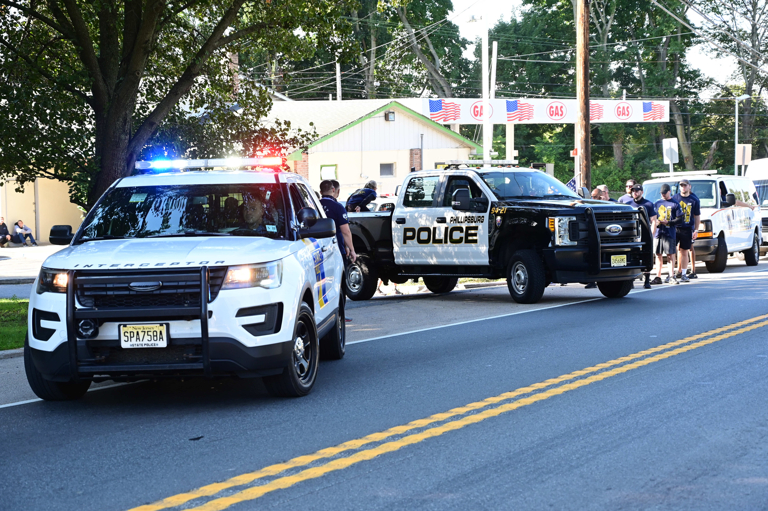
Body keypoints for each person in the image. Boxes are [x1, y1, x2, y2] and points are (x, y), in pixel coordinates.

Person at [320, 179, 357, 322]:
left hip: (317, 251)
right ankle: (340, 314)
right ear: (335, 190)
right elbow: (345, 231)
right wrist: (352, 249)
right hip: (335, 251)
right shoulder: (337, 207)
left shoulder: (314, 205)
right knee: (339, 283)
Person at [651, 184, 683, 285]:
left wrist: (668, 222)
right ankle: (658, 276)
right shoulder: (657, 203)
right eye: (662, 193)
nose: (663, 195)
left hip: (669, 232)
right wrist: (655, 223)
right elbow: (652, 217)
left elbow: (680, 219)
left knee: (670, 255)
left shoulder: (675, 203)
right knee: (658, 255)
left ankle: (671, 275)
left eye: (665, 193)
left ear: (669, 191)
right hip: (658, 232)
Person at [629, 184, 657, 288]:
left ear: (642, 192)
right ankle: (630, 281)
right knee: (632, 256)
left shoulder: (648, 204)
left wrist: (651, 235)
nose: (634, 193)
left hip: (644, 233)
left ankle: (647, 280)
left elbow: (654, 221)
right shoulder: (628, 204)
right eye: (633, 191)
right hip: (632, 234)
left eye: (637, 191)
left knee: (646, 256)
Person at [672, 179, 700, 282]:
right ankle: (673, 273)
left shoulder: (694, 200)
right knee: (672, 251)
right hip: (675, 228)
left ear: (689, 186)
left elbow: (697, 216)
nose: (683, 187)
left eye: (685, 185)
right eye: (681, 185)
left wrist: (696, 230)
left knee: (684, 250)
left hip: (687, 228)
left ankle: (684, 273)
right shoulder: (675, 198)